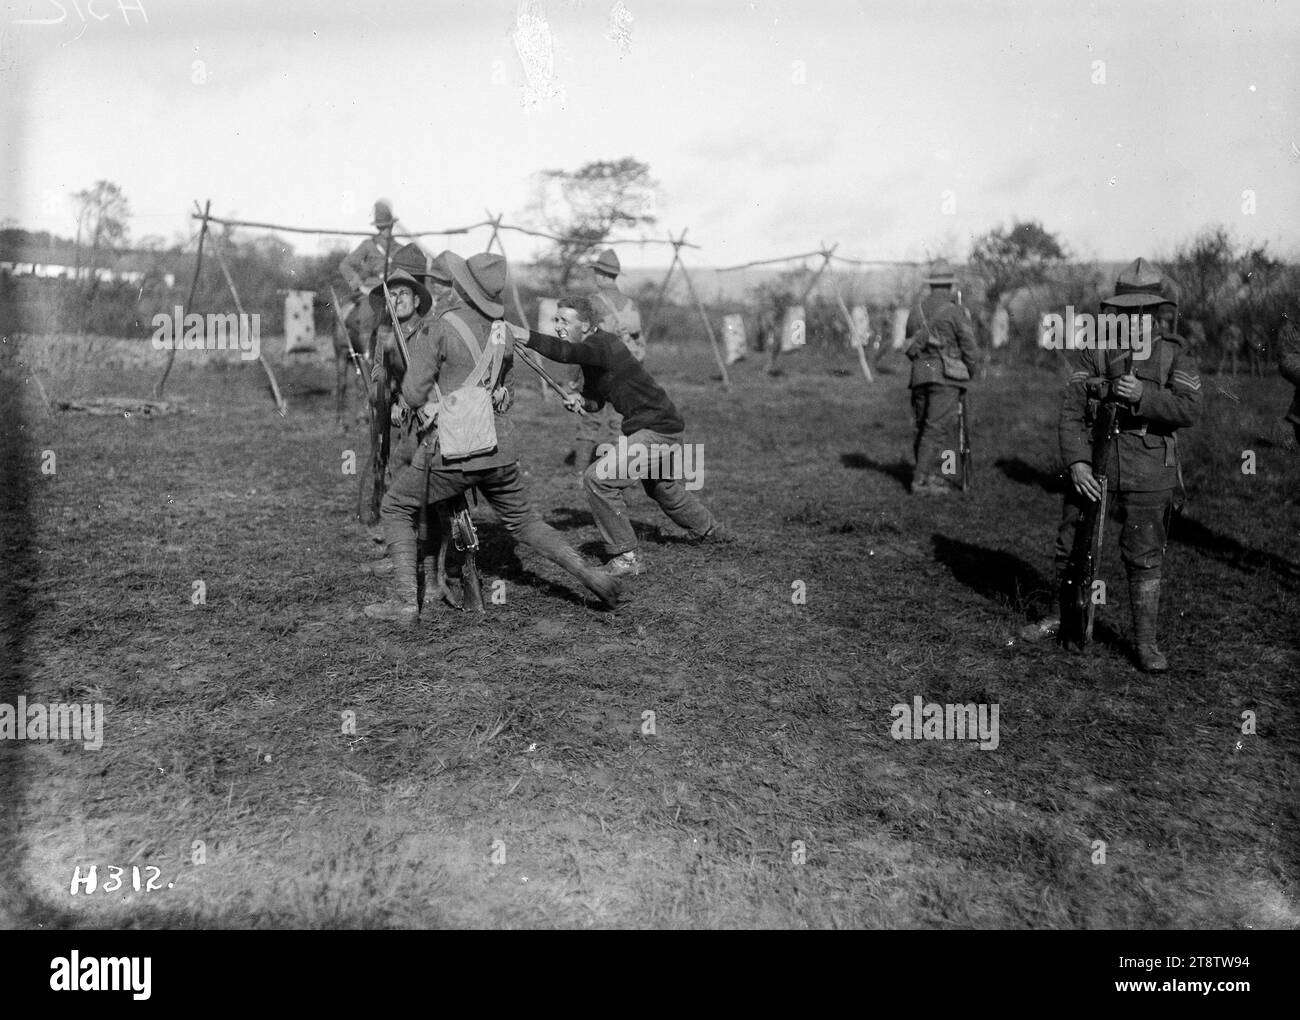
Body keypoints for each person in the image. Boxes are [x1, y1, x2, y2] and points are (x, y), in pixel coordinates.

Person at [364, 253, 620, 622]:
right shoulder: (503, 330)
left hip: (456, 447)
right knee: (526, 522)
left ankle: (405, 604)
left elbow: (415, 393)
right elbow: (507, 394)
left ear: (461, 288)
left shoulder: (440, 326)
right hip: (500, 447)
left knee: (395, 506)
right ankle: (591, 574)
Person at [1022, 258, 1203, 673]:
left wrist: (1143, 395)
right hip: (1095, 467)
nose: (1135, 317)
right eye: (1127, 309)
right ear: (1116, 310)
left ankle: (1145, 644)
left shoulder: (1174, 354)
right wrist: (1078, 464)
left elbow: (1192, 408)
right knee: (1072, 546)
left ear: (1158, 310)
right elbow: (1070, 411)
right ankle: (1064, 619)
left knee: (1144, 554)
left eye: (1144, 309)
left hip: (1148, 470)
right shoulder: (1095, 349)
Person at [513, 294, 730, 578]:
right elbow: (596, 400)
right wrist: (581, 400)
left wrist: (523, 335)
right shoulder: (593, 351)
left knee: (597, 479)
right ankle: (711, 532)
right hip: (658, 425)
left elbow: (565, 353)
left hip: (657, 430)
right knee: (662, 488)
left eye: (565, 321)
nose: (558, 326)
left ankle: (626, 558)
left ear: (587, 324)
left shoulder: (601, 344)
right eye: (556, 320)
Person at [905, 260, 978, 495]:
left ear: (931, 285)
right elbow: (970, 347)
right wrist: (969, 371)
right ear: (949, 285)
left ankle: (926, 475)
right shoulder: (956, 311)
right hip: (945, 377)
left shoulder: (915, 311)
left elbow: (909, 342)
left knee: (922, 426)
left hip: (919, 373)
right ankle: (919, 481)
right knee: (935, 429)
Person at [339, 199, 401, 357]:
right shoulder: (368, 245)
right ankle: (368, 357)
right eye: (381, 227)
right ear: (377, 227)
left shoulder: (400, 249)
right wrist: (360, 286)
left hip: (394, 292)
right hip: (372, 291)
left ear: (392, 226)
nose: (385, 230)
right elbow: (345, 264)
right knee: (367, 316)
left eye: (387, 226)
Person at [1278, 311, 1300, 447]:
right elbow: (1284, 354)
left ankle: (1296, 414)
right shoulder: (1290, 327)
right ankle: (1296, 414)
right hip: (1291, 360)